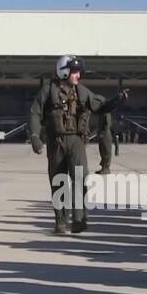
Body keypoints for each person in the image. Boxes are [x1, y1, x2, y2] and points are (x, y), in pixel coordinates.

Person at [29, 56, 130, 235]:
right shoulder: (48, 91)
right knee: (58, 182)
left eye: (78, 72)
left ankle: (78, 219)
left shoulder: (82, 91)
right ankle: (60, 222)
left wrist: (116, 101)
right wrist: (36, 137)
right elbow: (35, 113)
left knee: (80, 179)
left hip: (76, 140)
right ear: (64, 71)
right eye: (74, 71)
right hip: (56, 141)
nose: (78, 75)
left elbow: (100, 106)